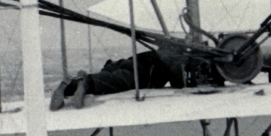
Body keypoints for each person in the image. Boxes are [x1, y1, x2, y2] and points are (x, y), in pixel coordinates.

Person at [50, 49, 181, 111]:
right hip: (138, 72)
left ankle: (67, 86)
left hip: (122, 63)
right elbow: (177, 82)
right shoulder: (172, 61)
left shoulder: (154, 52)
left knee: (106, 78)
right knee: (113, 82)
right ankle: (85, 81)